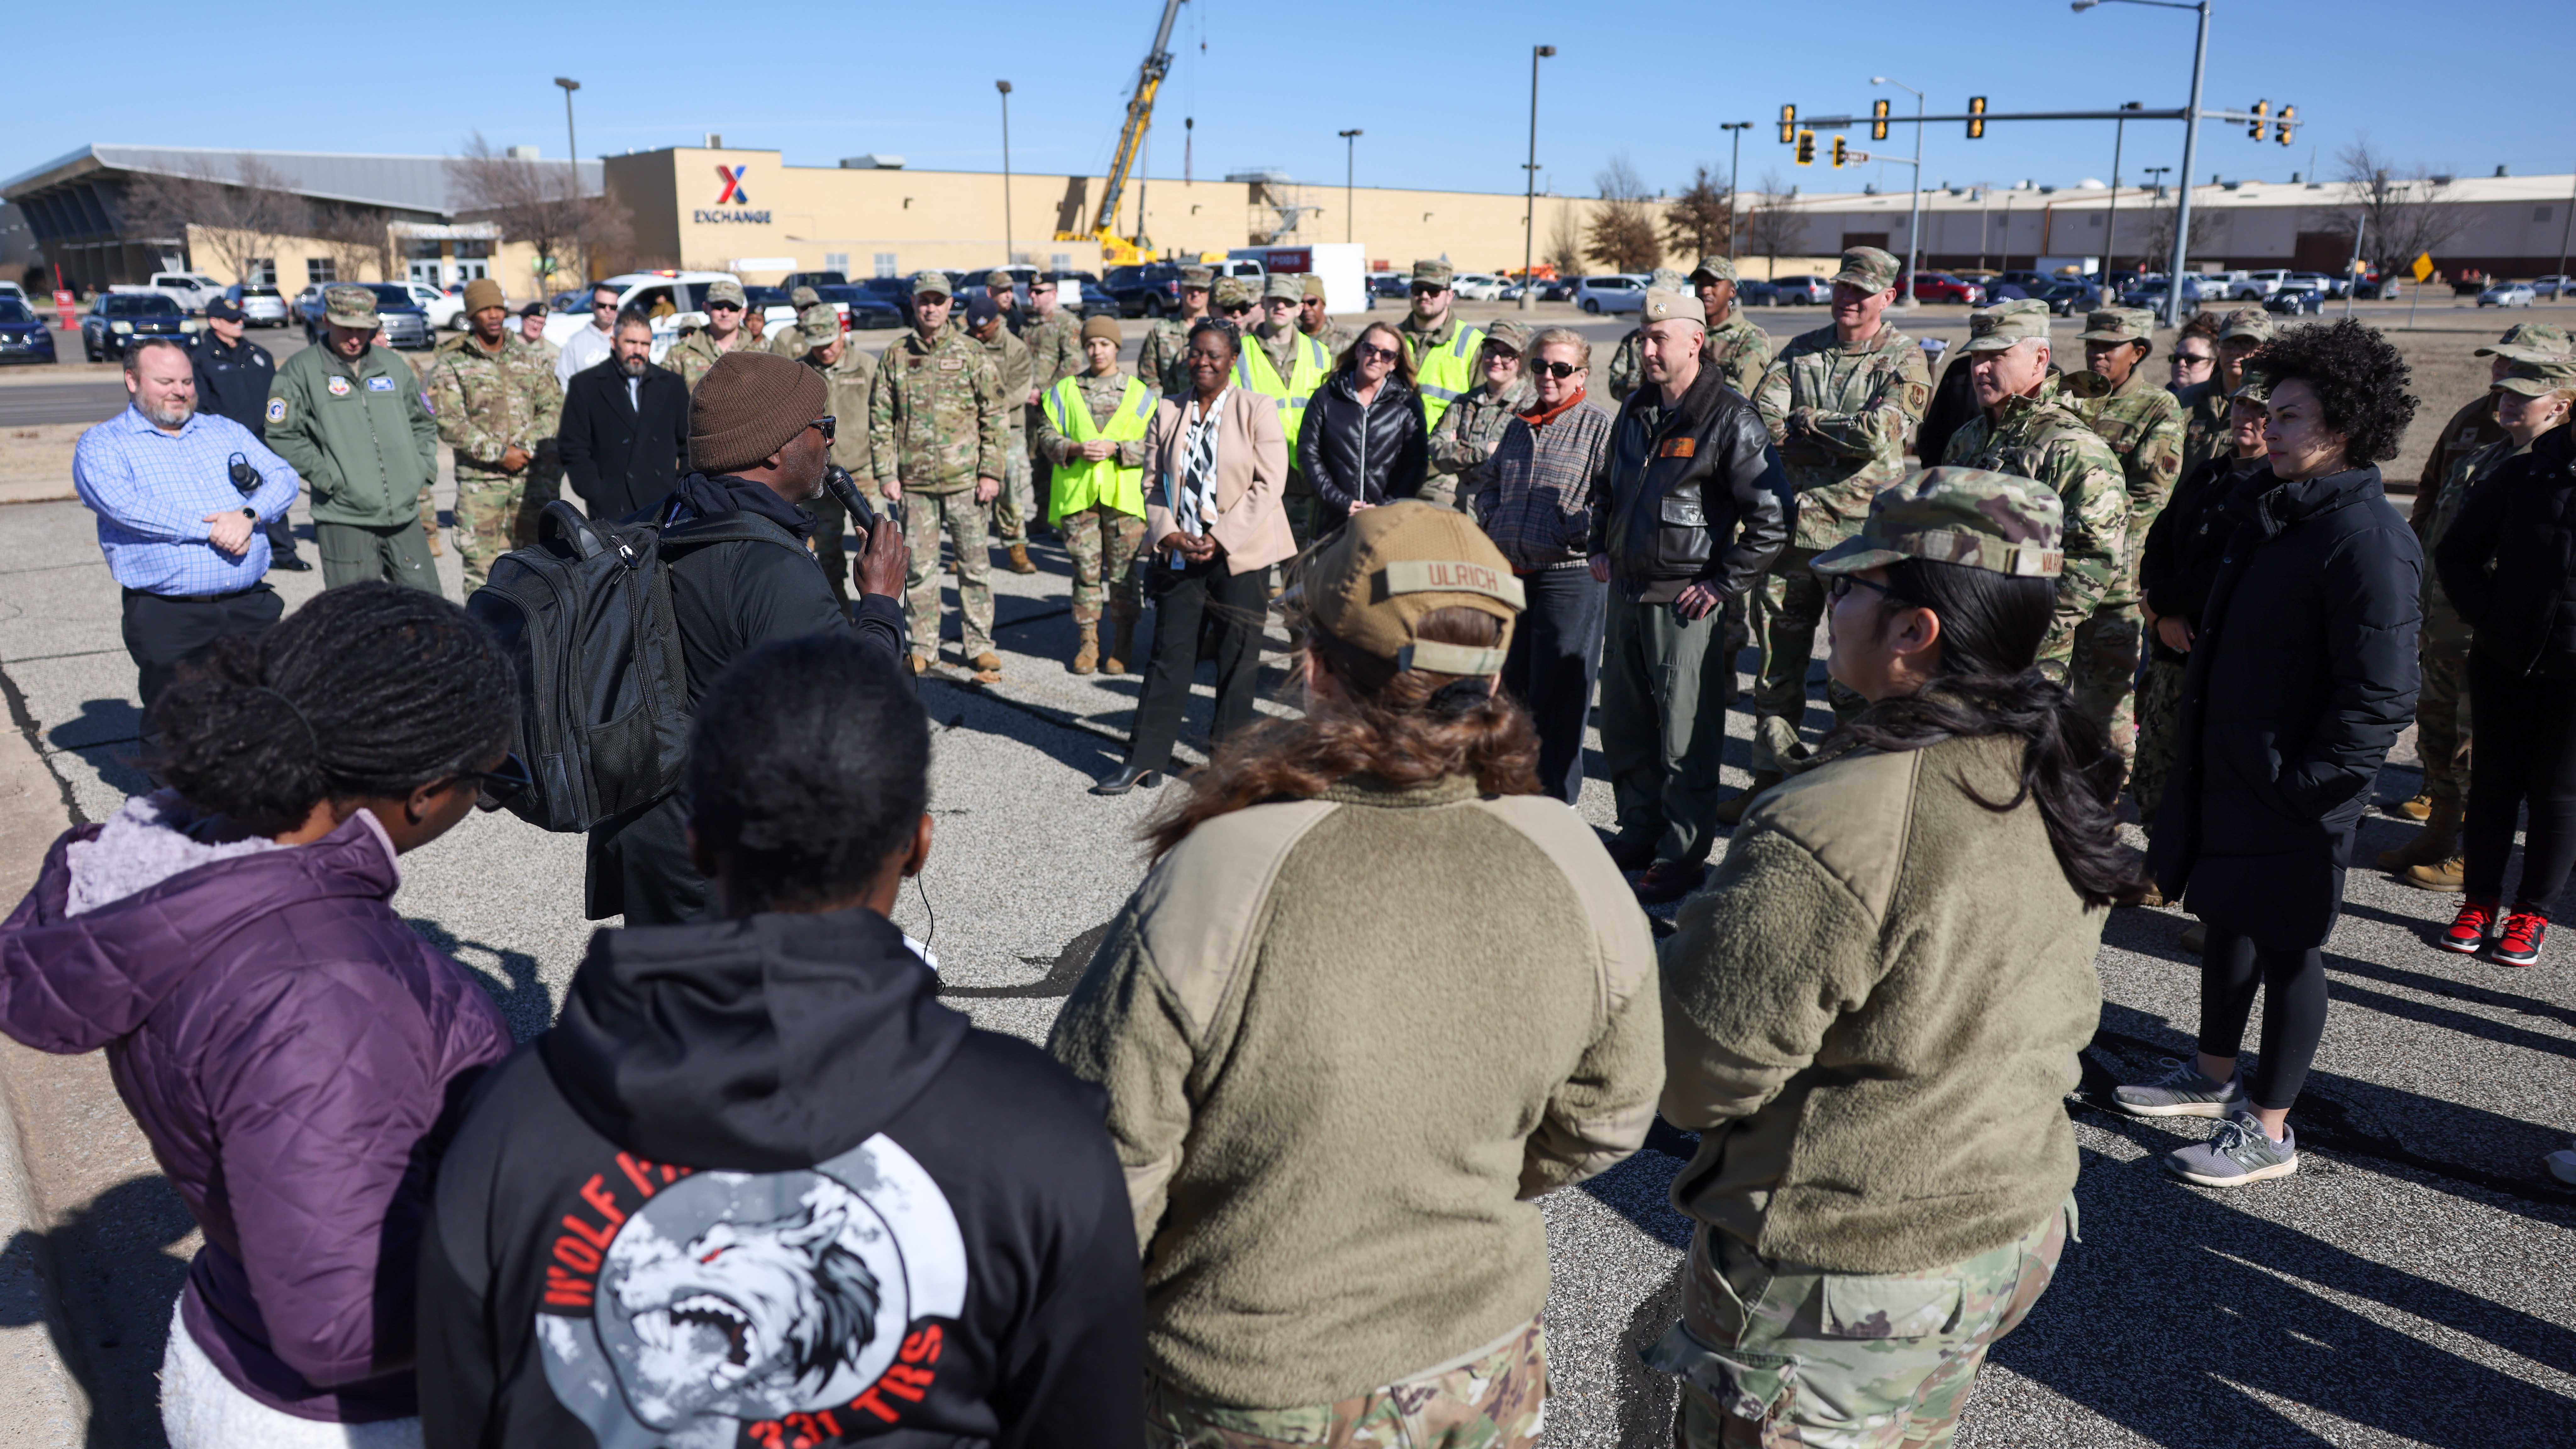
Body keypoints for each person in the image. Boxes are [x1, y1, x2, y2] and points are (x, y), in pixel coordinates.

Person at [419, 633, 1145, 1449]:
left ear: (696, 843)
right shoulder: (1043, 1141)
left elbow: (461, 1420)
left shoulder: (513, 1125)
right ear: (917, 846)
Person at [1050, 503, 1663, 1445]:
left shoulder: (1225, 869)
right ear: (1494, 673)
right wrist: (1442, 1176)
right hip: (1482, 1367)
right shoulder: (1567, 853)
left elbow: (1103, 1161)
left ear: (1316, 669)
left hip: (1256, 1380)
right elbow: (1610, 1115)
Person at [1649, 469, 2122, 1449]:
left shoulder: (1841, 817)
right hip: (2003, 1228)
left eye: (1853, 587)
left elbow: (1694, 1074)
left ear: (1915, 632)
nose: (1833, 605)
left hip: (1845, 1275)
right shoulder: (2052, 763)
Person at [0, 583, 516, 1447]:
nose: (477, 802)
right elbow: (341, 1318)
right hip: (355, 1423)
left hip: (231, 1345)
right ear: (425, 794)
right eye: (483, 784)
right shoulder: (330, 992)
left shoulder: (187, 862)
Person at [2126, 319, 2423, 1188]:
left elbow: (2380, 695)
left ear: (2343, 430)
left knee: (2291, 946)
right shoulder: (2280, 508)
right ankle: (2213, 1076)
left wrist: (2310, 786)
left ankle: (2271, 1129)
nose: (2270, 426)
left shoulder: (2367, 539)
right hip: (2242, 769)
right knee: (2228, 917)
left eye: (2290, 415)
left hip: (2297, 790)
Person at [585, 350, 912, 925]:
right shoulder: (767, 566)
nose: (829, 444)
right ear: (773, 446)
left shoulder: (666, 517)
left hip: (652, 834)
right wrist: (881, 601)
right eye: (822, 427)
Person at [1590, 287, 1791, 902]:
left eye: (1658, 339)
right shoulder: (1634, 410)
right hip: (1625, 592)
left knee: (1685, 738)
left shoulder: (1729, 417)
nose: (1645, 350)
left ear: (1695, 341)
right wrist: (1601, 544)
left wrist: (1723, 583)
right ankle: (1640, 829)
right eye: (1642, 338)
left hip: (1684, 603)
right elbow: (1609, 489)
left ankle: (1682, 854)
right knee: (1625, 728)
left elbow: (1773, 516)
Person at [1741, 246, 1932, 815]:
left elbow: (1882, 433)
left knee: (1857, 672)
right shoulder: (1802, 350)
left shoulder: (1904, 356)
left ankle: (1852, 795)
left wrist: (1806, 421)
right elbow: (1759, 419)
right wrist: (1831, 431)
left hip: (1860, 542)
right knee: (1777, 665)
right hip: (1791, 534)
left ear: (1887, 297)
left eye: (1861, 292)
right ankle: (1767, 781)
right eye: (1842, 288)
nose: (1847, 300)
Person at [1092, 319, 1295, 796]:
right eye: (1196, 353)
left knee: (1237, 658)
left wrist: (1221, 538)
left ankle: (1229, 765)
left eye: (1214, 355)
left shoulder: (1256, 409)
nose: (1203, 362)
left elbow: (1271, 484)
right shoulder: (1168, 411)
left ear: (1233, 361)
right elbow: (1152, 485)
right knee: (1169, 654)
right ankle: (1144, 759)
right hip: (1182, 552)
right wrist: (1169, 534)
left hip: (1241, 553)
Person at [2385, 322, 2573, 830]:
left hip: (2485, 635)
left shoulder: (2548, 470)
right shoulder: (2485, 451)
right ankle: (2441, 833)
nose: (2504, 384)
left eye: (2521, 377)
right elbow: (2435, 515)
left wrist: (2489, 615)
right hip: (2442, 624)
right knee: (2437, 733)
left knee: (2479, 746)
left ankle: (2467, 851)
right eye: (2504, 371)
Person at [2432, 353, 2576, 963]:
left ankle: (2530, 914)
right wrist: (2490, 617)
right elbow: (2457, 552)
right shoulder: (2529, 472)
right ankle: (2479, 902)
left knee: (2556, 797)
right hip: (2505, 661)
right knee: (2492, 788)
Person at [74, 338, 299, 708]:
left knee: (263, 714)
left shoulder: (224, 431)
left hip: (249, 608)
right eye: (165, 382)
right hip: (172, 617)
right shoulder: (104, 443)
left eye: (187, 382)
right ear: (133, 381)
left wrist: (248, 516)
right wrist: (211, 529)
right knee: (177, 726)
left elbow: (284, 477)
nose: (180, 391)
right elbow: (123, 505)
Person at [1942, 302, 2128, 705]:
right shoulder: (1967, 438)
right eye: (1975, 356)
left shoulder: (2071, 447)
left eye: (1996, 356)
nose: (1979, 369)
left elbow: (2094, 557)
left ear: (2039, 359)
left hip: (2023, 655)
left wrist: (2028, 632)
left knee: (2016, 756)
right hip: (1957, 636)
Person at [1475, 326, 1612, 803]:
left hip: (1569, 577)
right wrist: (1494, 517)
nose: (1548, 376)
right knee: (1512, 693)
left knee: (1561, 698)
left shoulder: (1599, 426)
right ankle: (1515, 793)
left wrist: (1571, 531)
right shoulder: (1518, 421)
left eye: (1560, 369)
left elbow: (1611, 499)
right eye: (1539, 366)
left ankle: (1558, 803)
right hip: (1514, 576)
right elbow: (1489, 483)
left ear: (1582, 375)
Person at [2135, 368, 2271, 843]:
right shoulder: (2211, 471)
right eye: (2241, 406)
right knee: (2156, 754)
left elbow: (2225, 568)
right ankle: (2158, 857)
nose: (2248, 418)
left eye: (2261, 410)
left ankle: (2189, 867)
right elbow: (2160, 540)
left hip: (2220, 646)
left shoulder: (2275, 487)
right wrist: (2158, 609)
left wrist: (2163, 603)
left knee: (2205, 763)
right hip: (2174, 638)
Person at [2060, 307, 2185, 774]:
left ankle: (2104, 794)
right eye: (2091, 344)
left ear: (2137, 352)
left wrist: (2081, 533)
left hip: (2113, 582)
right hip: (2054, 571)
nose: (2096, 354)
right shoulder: (2068, 397)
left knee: (2105, 697)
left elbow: (2150, 498)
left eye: (2108, 347)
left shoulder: (2157, 407)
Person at [872, 272, 1008, 679]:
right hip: (915, 485)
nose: (931, 307)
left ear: (951, 306)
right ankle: (924, 646)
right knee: (919, 570)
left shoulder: (971, 352)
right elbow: (881, 417)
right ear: (913, 305)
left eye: (938, 300)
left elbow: (995, 415)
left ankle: (980, 644)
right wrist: (886, 471)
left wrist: (991, 472)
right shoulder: (896, 354)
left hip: (967, 481)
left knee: (974, 566)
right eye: (924, 301)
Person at [264, 284, 442, 593]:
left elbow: (423, 422)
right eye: (346, 328)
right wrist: (330, 479)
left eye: (363, 330)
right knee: (357, 616)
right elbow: (282, 434)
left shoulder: (393, 365)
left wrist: (422, 469)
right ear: (327, 321)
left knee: (430, 609)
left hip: (403, 512)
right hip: (344, 516)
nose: (355, 338)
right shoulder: (300, 370)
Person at [429, 278, 564, 592]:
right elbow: (449, 422)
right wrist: (500, 454)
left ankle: (536, 640)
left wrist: (525, 448)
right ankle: (480, 640)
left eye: (498, 308)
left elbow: (553, 408)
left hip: (531, 481)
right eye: (484, 309)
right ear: (472, 315)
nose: (493, 316)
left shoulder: (531, 359)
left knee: (539, 568)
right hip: (481, 487)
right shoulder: (452, 363)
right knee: (480, 575)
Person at [1035, 313, 1152, 675]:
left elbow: (1155, 443)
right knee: (1085, 574)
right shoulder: (1064, 391)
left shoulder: (1140, 394)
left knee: (1123, 576)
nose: (1096, 351)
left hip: (1123, 501)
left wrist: (1119, 450)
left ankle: (1122, 642)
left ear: (1116, 346)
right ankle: (1088, 643)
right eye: (1090, 345)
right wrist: (1072, 449)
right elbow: (1044, 434)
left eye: (1103, 344)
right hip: (1080, 499)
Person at [190, 296, 307, 570]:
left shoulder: (259, 355)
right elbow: (201, 407)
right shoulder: (200, 360)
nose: (240, 323)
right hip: (227, 445)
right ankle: (237, 554)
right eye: (232, 320)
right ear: (214, 322)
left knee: (273, 495)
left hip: (265, 440)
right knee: (233, 501)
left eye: (240, 318)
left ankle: (285, 553)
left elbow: (279, 398)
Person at [555, 304, 687, 520]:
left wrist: (681, 489)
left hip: (663, 504)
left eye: (645, 344)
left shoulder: (672, 385)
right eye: (631, 342)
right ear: (614, 343)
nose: (638, 351)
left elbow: (690, 443)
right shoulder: (586, 385)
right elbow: (573, 446)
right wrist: (596, 492)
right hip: (612, 508)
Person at [796, 299, 884, 607]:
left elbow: (886, 416)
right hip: (820, 476)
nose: (825, 351)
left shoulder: (867, 366)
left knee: (879, 547)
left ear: (842, 333)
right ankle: (841, 622)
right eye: (817, 345)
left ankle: (888, 625)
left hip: (864, 471)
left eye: (830, 343)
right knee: (827, 552)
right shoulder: (801, 372)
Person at [1301, 321, 1430, 529]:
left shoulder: (1407, 405)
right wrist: (1339, 500)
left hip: (1387, 524)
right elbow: (1309, 454)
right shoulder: (1327, 397)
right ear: (1359, 351)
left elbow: (1416, 465)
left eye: (1387, 354)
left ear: (1394, 363)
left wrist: (1385, 507)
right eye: (1371, 349)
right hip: (1332, 520)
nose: (1377, 358)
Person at [1423, 319, 1533, 511]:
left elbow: (1521, 463)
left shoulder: (1531, 407)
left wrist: (1460, 451)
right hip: (1465, 511)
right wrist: (1483, 451)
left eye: (1507, 355)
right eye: (1491, 351)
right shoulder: (1464, 403)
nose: (1496, 360)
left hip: (1508, 513)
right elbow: (1438, 452)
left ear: (1522, 360)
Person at [967, 289, 1040, 575]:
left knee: (1010, 489)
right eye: (976, 330)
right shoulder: (965, 342)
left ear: (997, 322)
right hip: (970, 430)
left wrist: (983, 408)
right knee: (971, 493)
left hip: (1007, 429)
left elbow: (1019, 392)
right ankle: (969, 550)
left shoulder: (1016, 350)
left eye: (985, 330)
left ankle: (1015, 547)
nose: (980, 335)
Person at [2175, 307, 2271, 482]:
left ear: (2267, 349)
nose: (2235, 351)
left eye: (2247, 343)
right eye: (2229, 341)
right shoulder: (2189, 399)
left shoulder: (2273, 404)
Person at [1393, 259, 1488, 432]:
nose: (1425, 296)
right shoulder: (1392, 338)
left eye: (1434, 291)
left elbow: (1483, 407)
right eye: (1418, 290)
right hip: (1396, 449)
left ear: (1450, 296)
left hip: (1443, 454)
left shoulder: (1473, 342)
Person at [1603, 268, 1689, 404]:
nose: (1658, 303)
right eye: (1653, 295)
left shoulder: (1689, 338)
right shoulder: (1633, 340)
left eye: (1664, 297)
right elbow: (1615, 386)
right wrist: (1648, 389)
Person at [658, 275, 756, 393]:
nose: (725, 313)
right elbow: (663, 395)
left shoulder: (759, 353)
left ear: (743, 312)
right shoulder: (680, 351)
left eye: (732, 307)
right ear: (705, 308)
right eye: (718, 306)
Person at [1136, 263, 1214, 397]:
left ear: (1208, 293)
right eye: (1190, 288)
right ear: (1180, 289)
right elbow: (1148, 376)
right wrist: (1164, 406)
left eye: (1201, 289)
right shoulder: (1162, 331)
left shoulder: (1216, 331)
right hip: (1171, 408)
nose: (1195, 294)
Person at [552, 280, 619, 389]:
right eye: (602, 306)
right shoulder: (575, 342)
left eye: (613, 307)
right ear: (593, 306)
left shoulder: (625, 341)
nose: (608, 311)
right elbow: (564, 380)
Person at [1297, 271, 1354, 358]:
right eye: (1301, 303)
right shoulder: (1292, 338)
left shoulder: (1346, 338)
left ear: (1323, 304)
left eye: (1312, 302)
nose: (1306, 308)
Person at [764, 284, 827, 357]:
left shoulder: (830, 332)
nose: (810, 310)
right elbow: (775, 366)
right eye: (805, 307)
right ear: (795, 308)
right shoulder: (784, 336)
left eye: (814, 305)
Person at [2166, 311, 2218, 395]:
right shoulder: (2156, 402)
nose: (2181, 363)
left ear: (2215, 364)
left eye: (2192, 359)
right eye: (2176, 358)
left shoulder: (2234, 406)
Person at [514, 301, 558, 369]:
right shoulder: (507, 345)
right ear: (523, 319)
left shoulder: (554, 352)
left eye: (541, 323)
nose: (536, 326)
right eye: (533, 321)